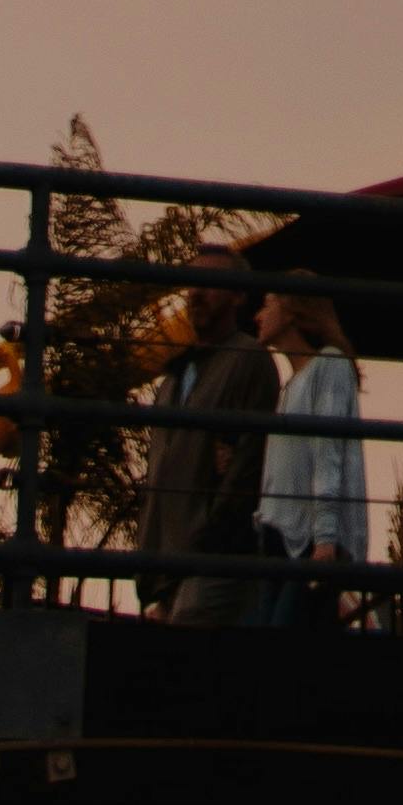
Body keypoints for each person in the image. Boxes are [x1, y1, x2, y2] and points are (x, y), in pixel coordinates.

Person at [135, 247, 277, 626]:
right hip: (167, 571)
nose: (197, 292)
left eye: (211, 283)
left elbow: (246, 466)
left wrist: (206, 539)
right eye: (193, 283)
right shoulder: (173, 380)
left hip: (212, 563)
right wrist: (149, 573)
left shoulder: (249, 360)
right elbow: (158, 477)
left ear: (238, 296)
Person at [253, 276, 368, 619]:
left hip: (309, 540)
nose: (259, 315)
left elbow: (327, 455)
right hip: (279, 535)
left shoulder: (328, 366)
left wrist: (326, 537)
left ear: (290, 310)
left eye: (268, 303)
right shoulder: (290, 386)